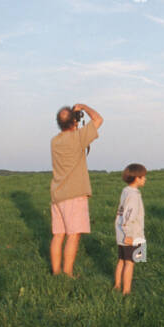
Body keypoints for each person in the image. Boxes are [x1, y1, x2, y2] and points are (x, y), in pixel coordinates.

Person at [50, 102, 103, 276]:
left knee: (58, 235)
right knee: (73, 235)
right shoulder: (78, 138)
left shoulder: (55, 141)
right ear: (74, 122)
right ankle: (68, 274)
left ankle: (56, 273)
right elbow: (98, 119)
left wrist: (74, 119)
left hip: (57, 194)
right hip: (74, 195)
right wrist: (84, 107)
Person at [114, 163, 147, 295]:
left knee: (121, 260)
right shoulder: (133, 195)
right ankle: (126, 291)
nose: (145, 179)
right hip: (131, 235)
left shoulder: (125, 190)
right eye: (143, 177)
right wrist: (128, 234)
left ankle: (117, 285)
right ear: (136, 178)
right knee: (130, 262)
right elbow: (129, 215)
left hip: (121, 233)